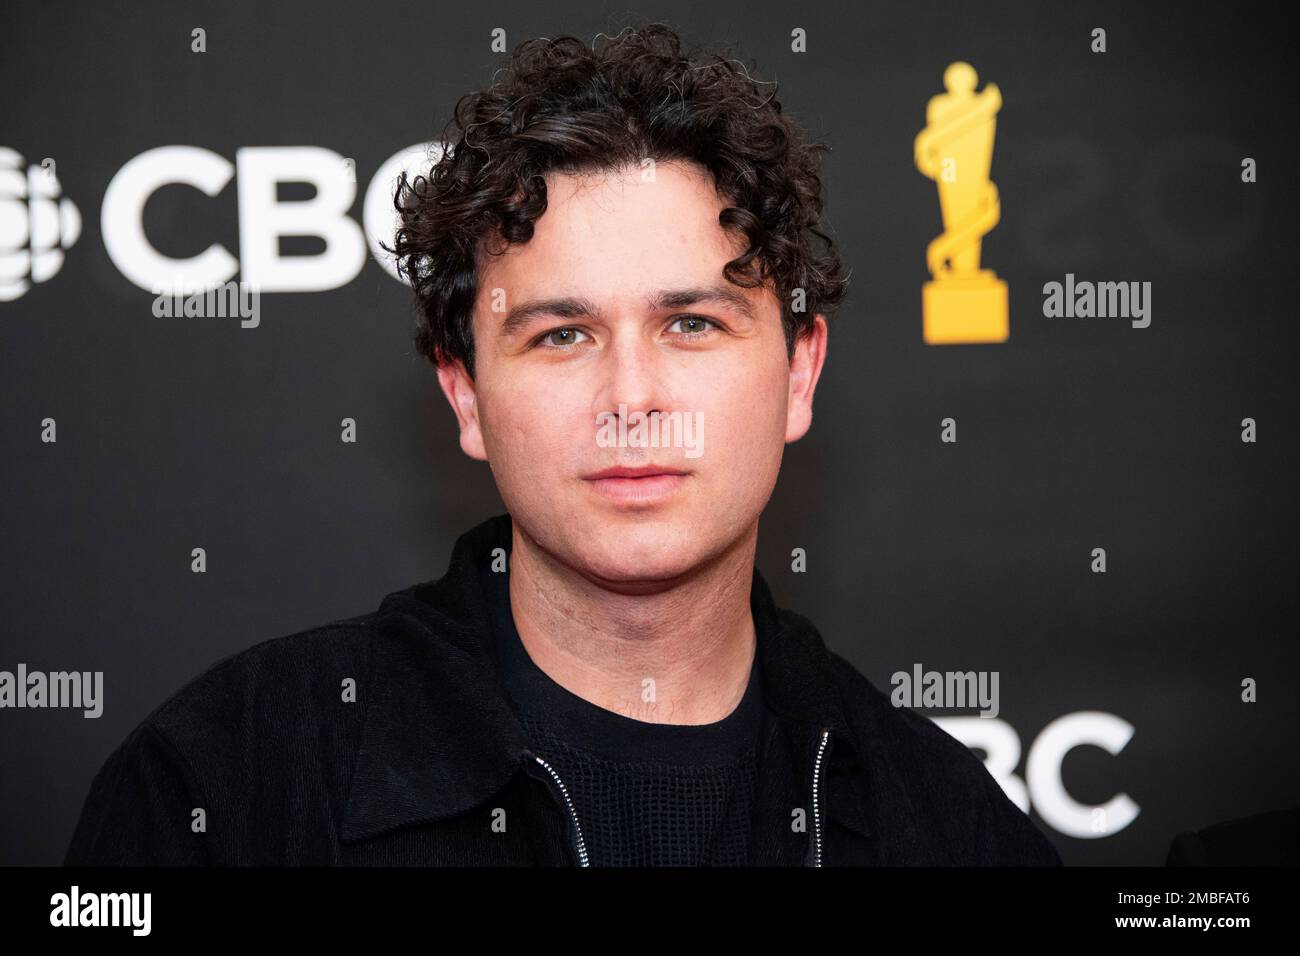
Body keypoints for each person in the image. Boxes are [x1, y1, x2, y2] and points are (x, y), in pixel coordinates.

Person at [64, 24, 1060, 867]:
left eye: (692, 323)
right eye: (561, 334)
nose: (631, 398)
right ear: (465, 394)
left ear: (799, 372)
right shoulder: (226, 785)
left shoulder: (942, 823)